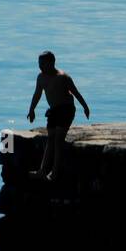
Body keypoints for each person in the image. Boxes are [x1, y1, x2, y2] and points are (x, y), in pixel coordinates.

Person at [27, 50, 90, 181]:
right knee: (50, 139)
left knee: (58, 140)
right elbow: (37, 94)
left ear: (52, 63)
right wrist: (31, 110)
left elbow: (76, 92)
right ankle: (42, 170)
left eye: (43, 64)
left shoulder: (63, 77)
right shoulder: (41, 77)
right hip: (53, 111)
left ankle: (55, 172)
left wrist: (85, 106)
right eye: (39, 64)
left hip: (66, 110)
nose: (40, 66)